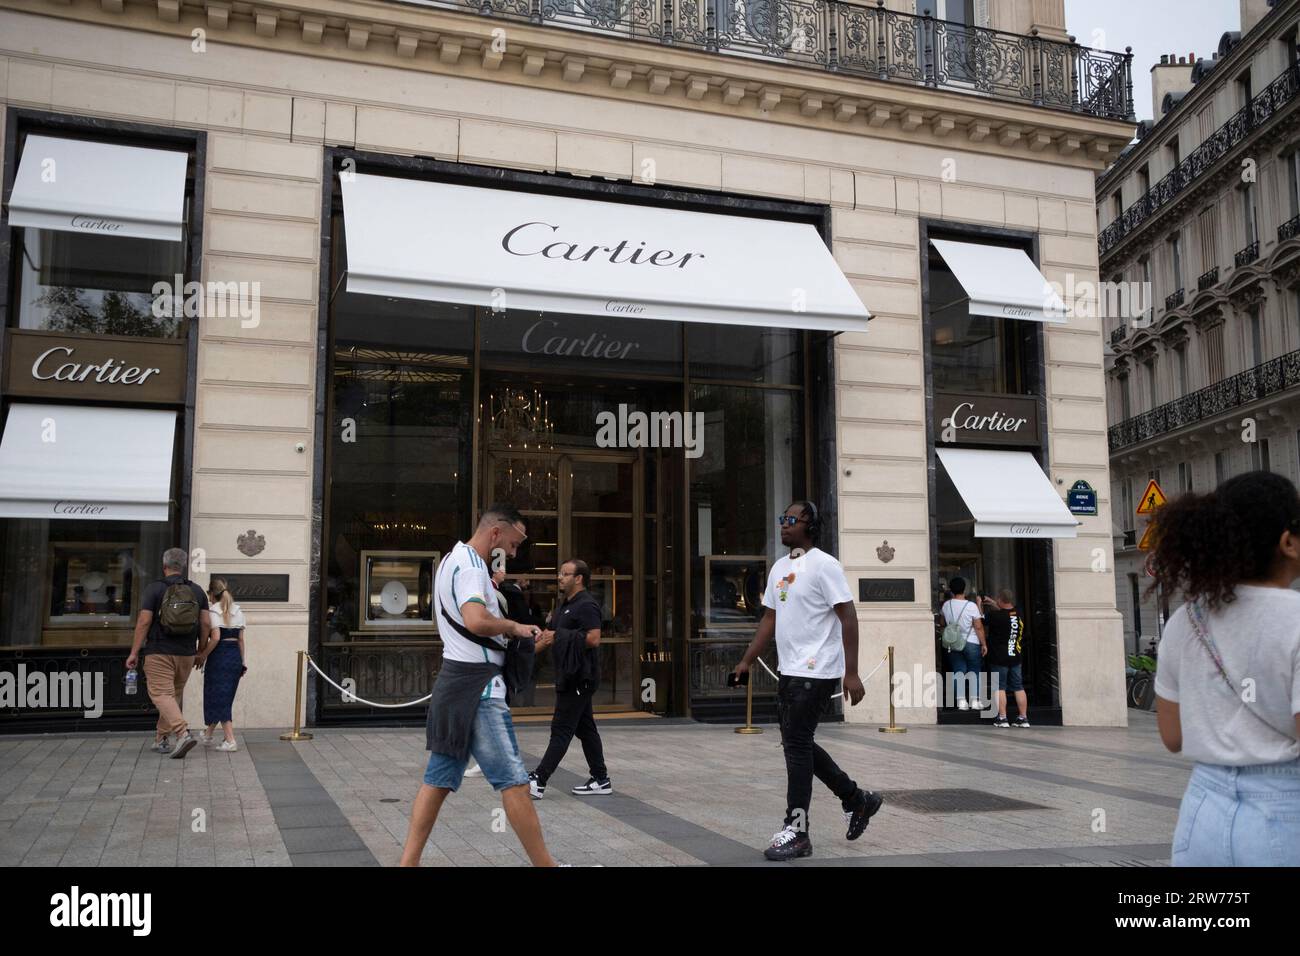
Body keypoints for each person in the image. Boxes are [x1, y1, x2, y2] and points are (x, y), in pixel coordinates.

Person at [1150, 471, 1300, 867]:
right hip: (1283, 813)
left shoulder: (1187, 620)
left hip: (1202, 812)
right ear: (1287, 542)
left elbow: (1172, 735)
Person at [399, 504, 560, 867]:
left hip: (453, 684)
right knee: (515, 782)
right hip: (480, 689)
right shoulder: (471, 566)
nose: (515, 552)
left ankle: (407, 864)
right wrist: (514, 627)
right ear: (495, 533)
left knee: (437, 779)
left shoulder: (451, 561)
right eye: (515, 543)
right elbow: (475, 620)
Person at [732, 500, 883, 861]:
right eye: (782, 518)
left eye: (791, 519)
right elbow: (770, 618)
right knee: (797, 743)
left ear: (810, 526)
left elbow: (848, 617)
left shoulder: (825, 565)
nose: (783, 525)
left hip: (818, 671)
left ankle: (797, 831)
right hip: (789, 669)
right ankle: (856, 798)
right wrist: (746, 660)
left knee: (797, 745)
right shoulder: (780, 568)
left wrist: (851, 671)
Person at [528, 559, 610, 799]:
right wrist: (521, 654)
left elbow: (594, 638)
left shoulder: (587, 605)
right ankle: (601, 779)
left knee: (561, 729)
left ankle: (539, 780)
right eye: (560, 573)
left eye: (565, 574)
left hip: (580, 676)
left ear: (579, 578)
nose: (560, 578)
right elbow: (548, 637)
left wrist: (560, 635)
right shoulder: (565, 604)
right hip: (567, 674)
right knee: (586, 729)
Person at [126, 548, 211, 760]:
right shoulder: (198, 591)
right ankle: (161, 738)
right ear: (182, 567)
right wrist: (201, 651)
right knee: (172, 695)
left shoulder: (154, 589)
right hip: (187, 653)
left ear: (165, 566)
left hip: (159, 651)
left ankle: (182, 733)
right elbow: (206, 623)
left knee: (161, 694)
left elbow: (144, 621)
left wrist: (134, 652)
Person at [198, 577, 247, 752]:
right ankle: (208, 733)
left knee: (219, 697)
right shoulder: (238, 611)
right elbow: (241, 640)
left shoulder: (213, 611)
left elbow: (216, 637)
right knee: (223, 696)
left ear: (212, 594)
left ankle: (230, 740)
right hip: (234, 656)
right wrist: (242, 662)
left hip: (219, 656)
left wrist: (203, 655)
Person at [981, 589, 1028, 728]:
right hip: (1015, 656)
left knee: (999, 687)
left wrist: (979, 604)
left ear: (1000, 600)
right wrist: (993, 602)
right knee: (1018, 687)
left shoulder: (995, 616)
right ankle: (1023, 717)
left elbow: (980, 619)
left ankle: (1002, 718)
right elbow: (1006, 611)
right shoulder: (1018, 614)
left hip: (999, 657)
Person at [941, 577, 986, 711]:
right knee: (974, 671)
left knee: (958, 671)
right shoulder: (971, 606)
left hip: (953, 642)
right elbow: (978, 627)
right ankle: (974, 701)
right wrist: (983, 644)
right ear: (964, 589)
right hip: (971, 641)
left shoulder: (946, 605)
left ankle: (961, 701)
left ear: (951, 590)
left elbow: (943, 624)